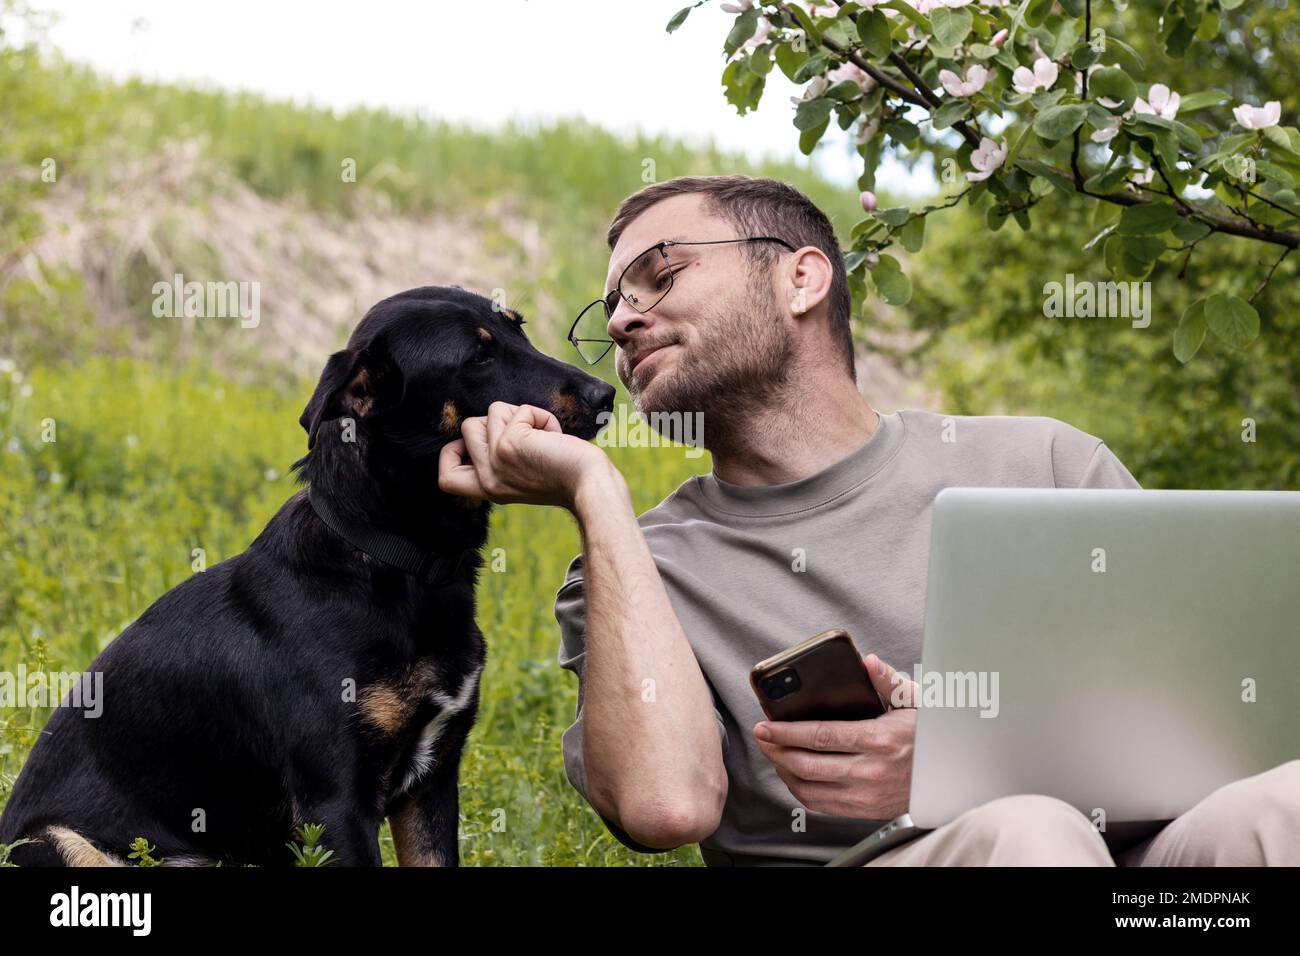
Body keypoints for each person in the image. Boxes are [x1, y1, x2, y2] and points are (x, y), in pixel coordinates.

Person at [437, 175, 1300, 866]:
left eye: (659, 274)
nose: (623, 319)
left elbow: (1226, 729)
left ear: (801, 277)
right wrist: (596, 492)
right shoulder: (633, 566)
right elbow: (665, 808)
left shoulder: (1045, 465)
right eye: (612, 308)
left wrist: (956, 760)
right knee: (1030, 835)